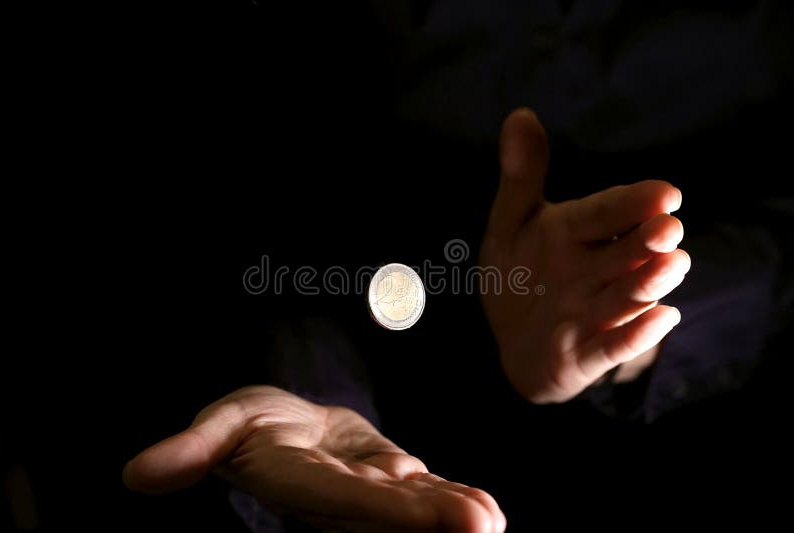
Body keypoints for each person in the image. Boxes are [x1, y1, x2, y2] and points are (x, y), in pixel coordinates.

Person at [122, 1, 792, 531]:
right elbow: (267, 167)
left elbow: (790, 230)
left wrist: (628, 325)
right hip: (367, 323)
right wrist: (312, 388)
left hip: (672, 434)